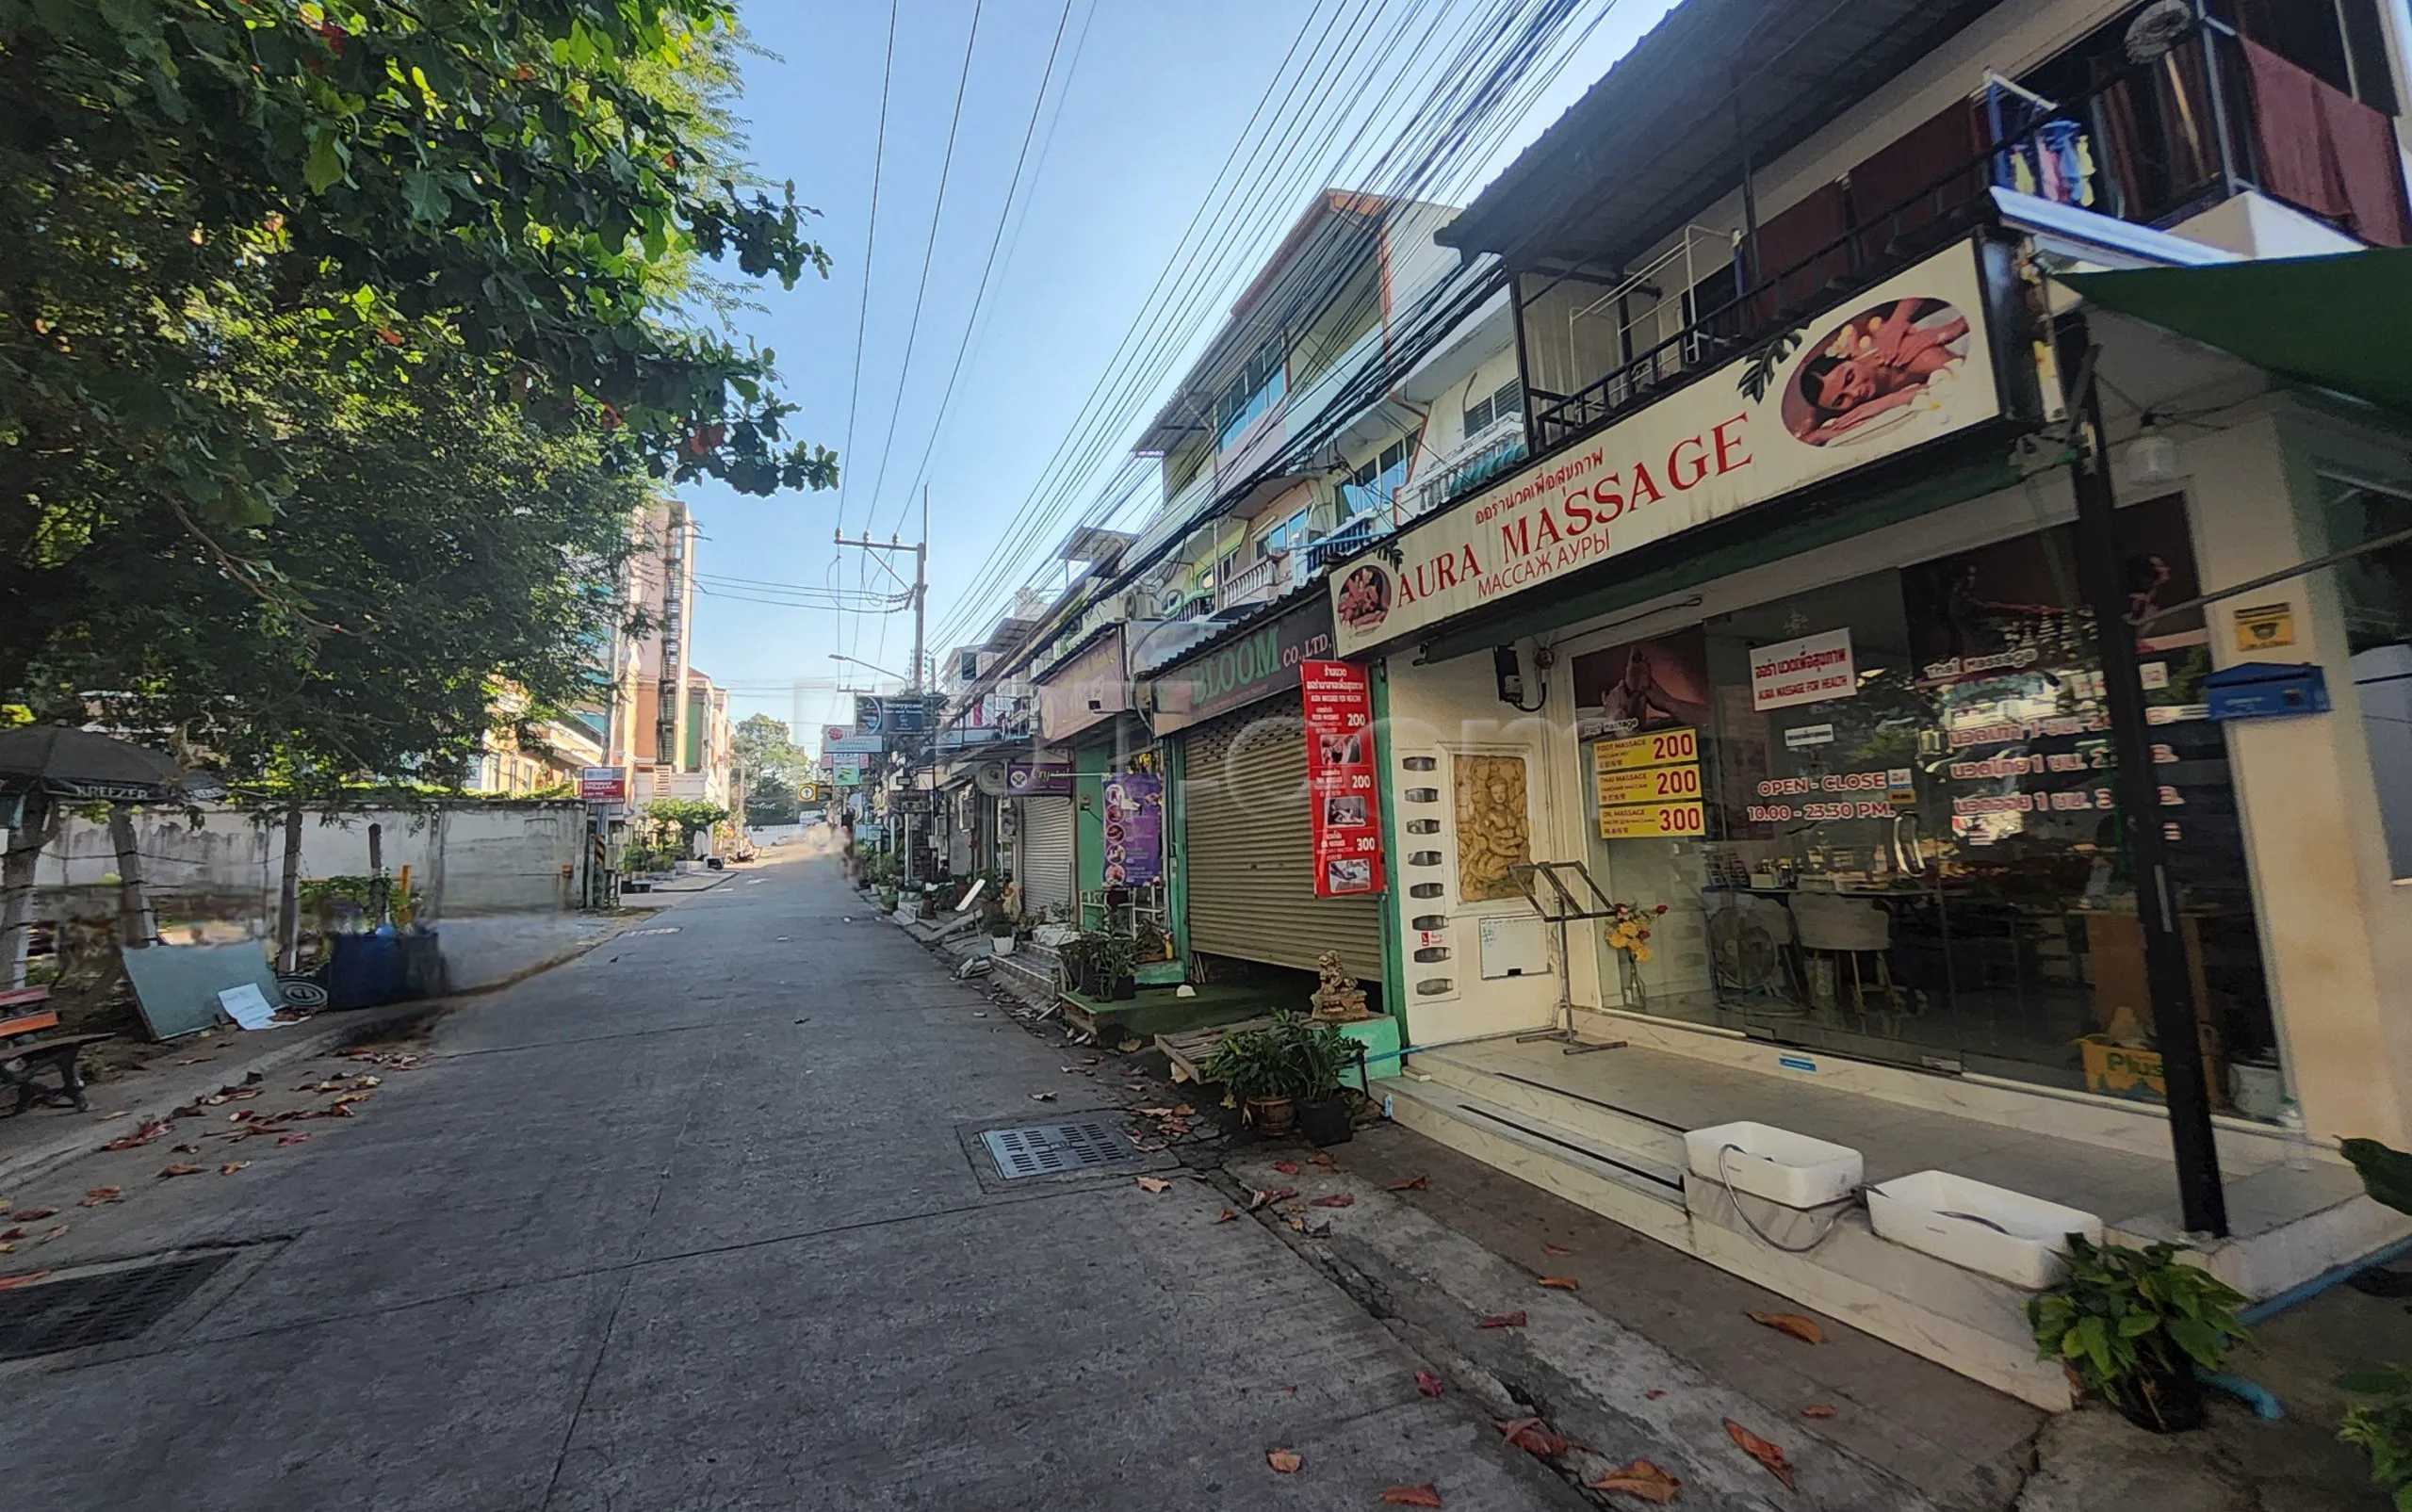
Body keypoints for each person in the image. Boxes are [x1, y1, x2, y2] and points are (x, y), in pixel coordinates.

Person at [1795, 298, 1970, 443]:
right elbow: (1804, 438)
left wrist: (1890, 401)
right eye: (1840, 400)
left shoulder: (1914, 356)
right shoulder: (1837, 398)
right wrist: (1821, 434)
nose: (1855, 392)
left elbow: (1968, 377)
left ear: (1852, 357)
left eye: (1849, 378)